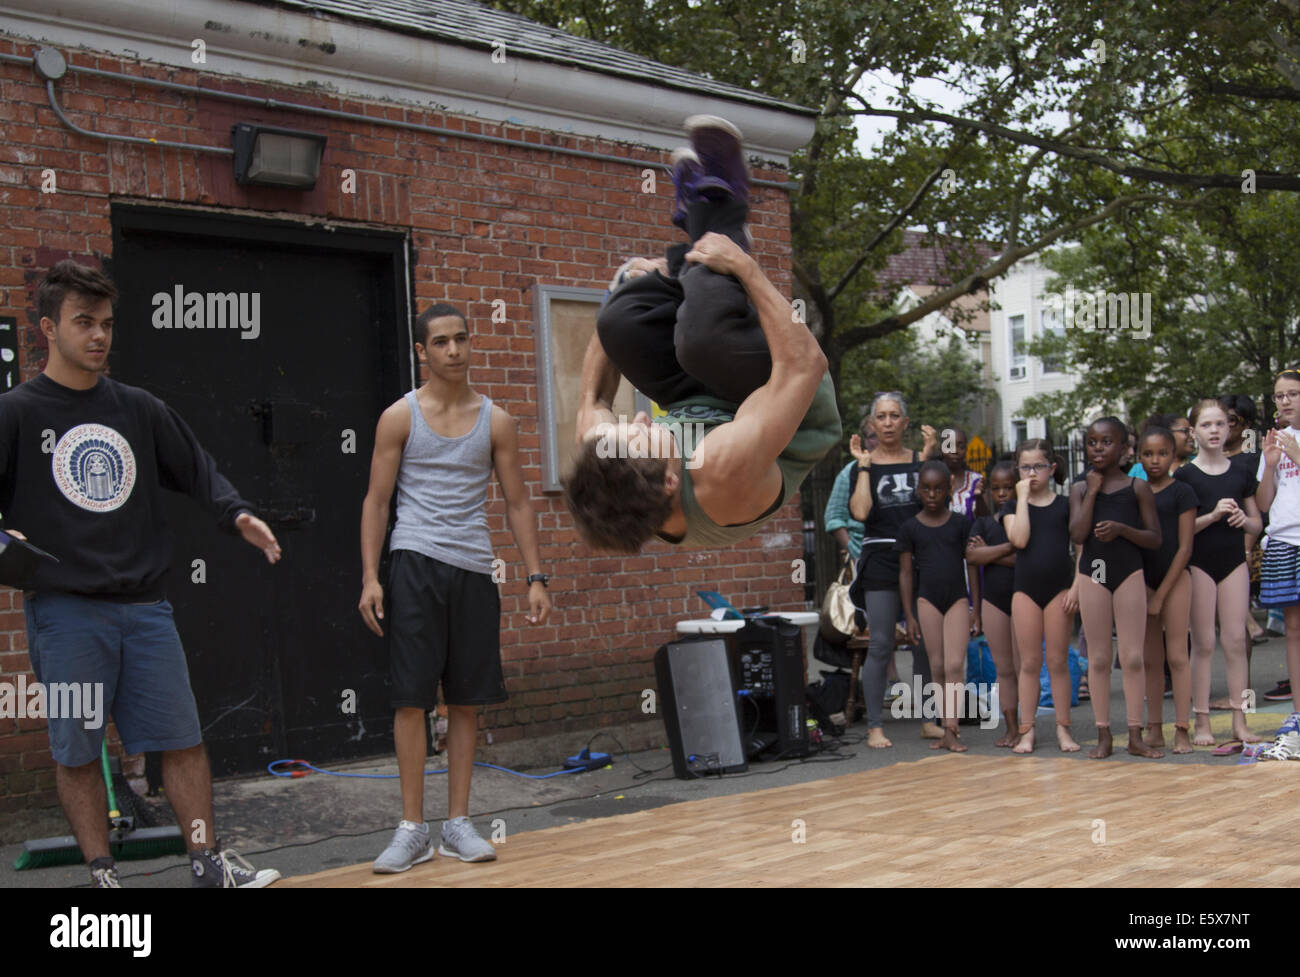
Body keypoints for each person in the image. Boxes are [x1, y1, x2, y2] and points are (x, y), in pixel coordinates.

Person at [2, 261, 282, 888]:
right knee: (79, 750)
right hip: (66, 613)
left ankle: (207, 862)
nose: (99, 336)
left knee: (180, 739)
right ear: (49, 327)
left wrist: (236, 513)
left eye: (105, 323)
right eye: (83, 323)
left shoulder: (137, 408)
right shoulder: (16, 413)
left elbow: (198, 468)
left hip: (146, 610)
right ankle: (103, 877)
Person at [565, 116, 840, 551]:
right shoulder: (722, 476)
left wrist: (620, 290)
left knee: (620, 324)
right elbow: (805, 364)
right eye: (641, 434)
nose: (637, 418)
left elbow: (592, 401)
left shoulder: (614, 462)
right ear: (671, 481)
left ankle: (687, 255)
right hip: (789, 388)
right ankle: (720, 211)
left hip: (698, 395)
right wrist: (745, 268)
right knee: (704, 342)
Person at [360, 303, 552, 872]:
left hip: (473, 568)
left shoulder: (496, 420)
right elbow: (375, 500)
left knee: (466, 699)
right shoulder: (398, 417)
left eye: (461, 339)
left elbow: (518, 502)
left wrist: (535, 575)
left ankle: (458, 824)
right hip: (413, 563)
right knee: (411, 700)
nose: (453, 350)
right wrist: (371, 576)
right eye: (440, 342)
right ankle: (413, 829)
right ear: (422, 352)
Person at [847, 393, 942, 748]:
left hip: (918, 560)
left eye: (894, 416)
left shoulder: (920, 461)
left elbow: (933, 506)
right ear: (872, 424)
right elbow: (859, 513)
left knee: (924, 644)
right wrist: (865, 466)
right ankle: (874, 726)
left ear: (905, 423)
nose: (887, 423)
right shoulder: (863, 464)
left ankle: (929, 720)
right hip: (881, 561)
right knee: (882, 643)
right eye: (881, 417)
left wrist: (928, 459)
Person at [1070, 418, 1162, 759]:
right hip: (1095, 570)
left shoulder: (1137, 487)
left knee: (1133, 655)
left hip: (1127, 570)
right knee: (1098, 657)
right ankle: (1104, 734)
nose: (1097, 448)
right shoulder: (1080, 489)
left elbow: (1155, 538)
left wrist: (1123, 529)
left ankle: (1135, 735)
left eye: (1106, 442)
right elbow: (1078, 535)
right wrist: (1092, 491)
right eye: (1092, 442)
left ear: (1124, 449)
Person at [1174, 399, 1264, 748]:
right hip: (1199, 564)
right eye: (1207, 425)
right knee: (1204, 643)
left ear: (1230, 428)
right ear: (1193, 431)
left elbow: (1257, 520)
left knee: (1236, 641)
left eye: (1220, 424)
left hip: (1233, 563)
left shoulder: (1241, 471)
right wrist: (1211, 516)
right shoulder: (1185, 475)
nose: (1214, 430)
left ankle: (1241, 721)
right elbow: (1181, 531)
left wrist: (1246, 522)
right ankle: (1202, 721)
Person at [1000, 439, 1081, 754]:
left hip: (1059, 589)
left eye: (1037, 466)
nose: (1031, 473)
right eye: (1024, 467)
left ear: (1052, 468)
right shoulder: (1011, 506)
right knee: (1030, 662)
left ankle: (1064, 728)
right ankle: (1027, 730)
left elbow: (1084, 550)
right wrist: (1021, 498)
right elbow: (1019, 539)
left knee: (1058, 661)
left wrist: (1077, 586)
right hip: (1026, 590)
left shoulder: (1064, 505)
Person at [897, 460, 981, 752]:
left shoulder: (960, 524)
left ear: (949, 490)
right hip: (927, 600)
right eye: (926, 489)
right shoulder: (910, 528)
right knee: (937, 666)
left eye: (938, 489)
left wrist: (975, 608)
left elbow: (971, 565)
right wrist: (908, 614)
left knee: (955, 664)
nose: (932, 494)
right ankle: (946, 729)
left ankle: (952, 728)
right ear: (918, 490)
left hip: (957, 598)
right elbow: (906, 573)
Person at [1137, 426, 1197, 754]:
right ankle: (1155, 728)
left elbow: (1185, 547)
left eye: (1162, 453)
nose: (1155, 460)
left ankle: (1183, 729)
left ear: (1173, 455)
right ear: (1139, 457)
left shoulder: (1182, 492)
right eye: (1148, 454)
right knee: (1151, 658)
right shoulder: (1136, 491)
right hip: (1143, 583)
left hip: (1176, 580)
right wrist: (1144, 590)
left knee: (1177, 655)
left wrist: (1161, 594)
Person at [1256, 368, 1300, 719]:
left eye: (1293, 394)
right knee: (1293, 629)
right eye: (1279, 395)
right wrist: (1270, 466)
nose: (1285, 401)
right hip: (1284, 540)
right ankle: (1299, 715)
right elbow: (1263, 503)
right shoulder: (1274, 438)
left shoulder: (1294, 443)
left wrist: (1297, 455)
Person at [967, 460, 1021, 746]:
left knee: (1025, 665)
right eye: (997, 488)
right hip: (993, 599)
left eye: (1008, 487)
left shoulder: (1025, 521)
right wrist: (976, 608)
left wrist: (988, 553)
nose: (1002, 494)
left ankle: (1027, 726)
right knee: (1003, 668)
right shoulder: (983, 523)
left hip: (1023, 596)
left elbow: (1024, 559)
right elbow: (972, 560)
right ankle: (1011, 727)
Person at [825, 418, 875, 564]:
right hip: (865, 557)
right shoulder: (850, 473)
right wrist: (854, 551)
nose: (877, 441)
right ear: (865, 440)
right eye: (872, 436)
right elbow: (833, 518)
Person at [927, 425, 987, 519]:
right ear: (942, 449)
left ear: (966, 450)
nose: (955, 450)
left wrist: (979, 497)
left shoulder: (976, 480)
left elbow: (986, 519)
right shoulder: (930, 479)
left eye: (961, 447)